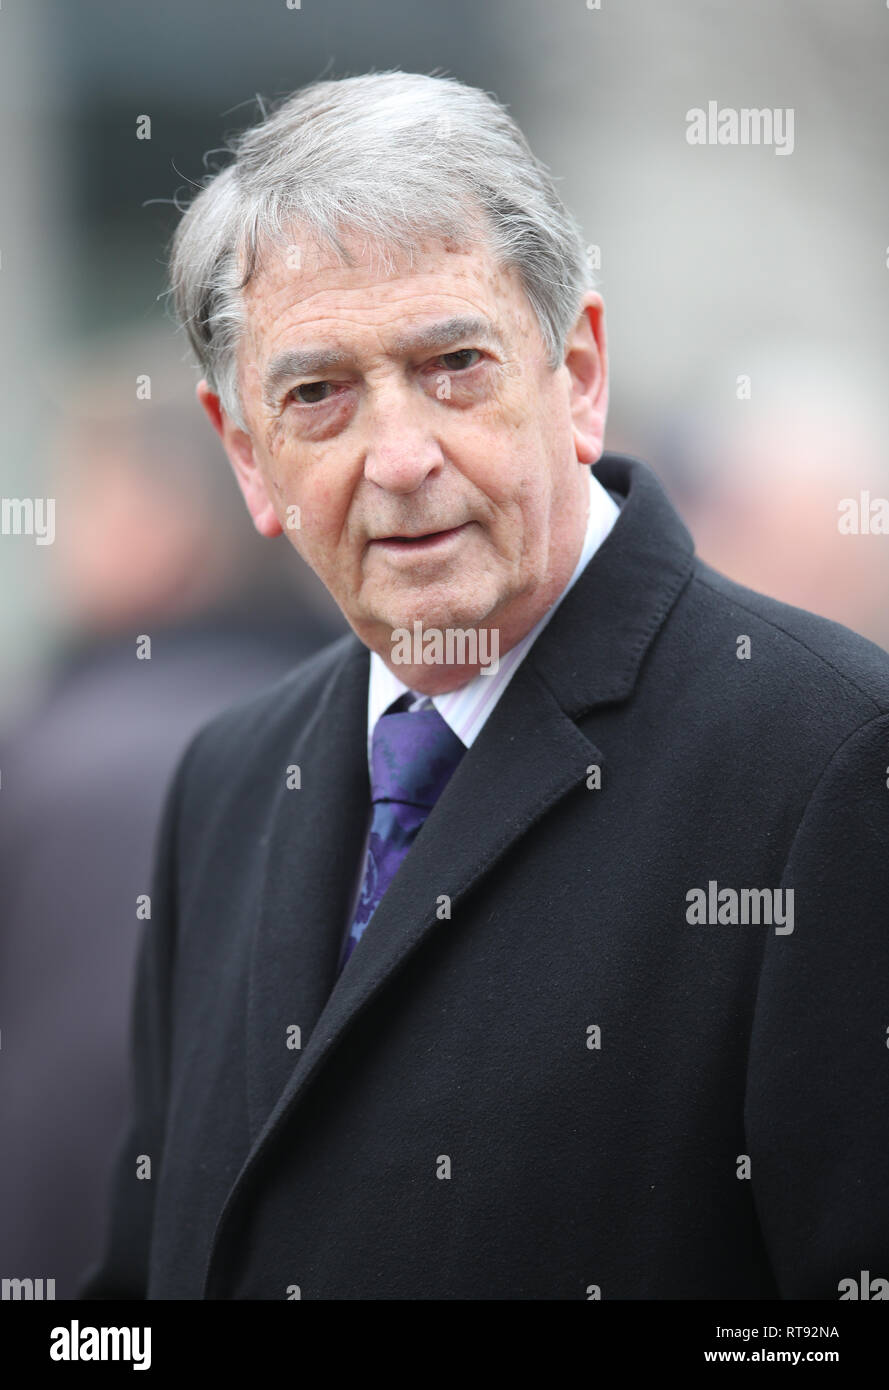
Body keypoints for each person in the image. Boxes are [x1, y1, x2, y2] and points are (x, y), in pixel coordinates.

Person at [80, 71, 889, 1301]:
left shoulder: (830, 759)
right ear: (246, 455)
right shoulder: (230, 776)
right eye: (318, 395)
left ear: (577, 374)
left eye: (454, 363)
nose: (400, 458)